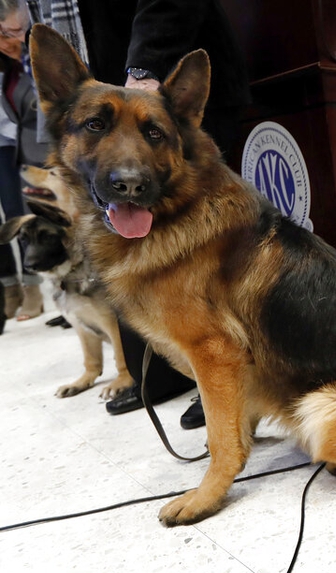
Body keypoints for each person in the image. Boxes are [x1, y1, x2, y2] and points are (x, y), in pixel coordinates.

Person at [26, 0, 250, 428]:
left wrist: (146, 69)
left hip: (167, 79)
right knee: (140, 269)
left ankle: (226, 382)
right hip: (110, 78)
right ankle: (163, 371)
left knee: (206, 266)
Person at [0, 0, 47, 322]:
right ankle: (14, 288)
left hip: (36, 146)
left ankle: (34, 287)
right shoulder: (6, 66)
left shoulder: (35, 55)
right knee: (12, 215)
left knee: (32, 213)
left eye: (12, 31)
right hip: (8, 145)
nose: (9, 39)